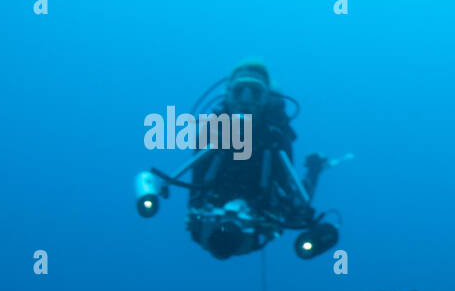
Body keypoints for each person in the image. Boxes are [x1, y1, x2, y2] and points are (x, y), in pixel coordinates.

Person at [134, 61, 342, 260]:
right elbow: (195, 189)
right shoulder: (212, 133)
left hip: (262, 208)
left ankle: (315, 168)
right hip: (215, 209)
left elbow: (294, 199)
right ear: (228, 96)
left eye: (255, 92)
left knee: (296, 209)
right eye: (239, 91)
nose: (245, 98)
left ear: (266, 100)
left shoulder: (275, 139)